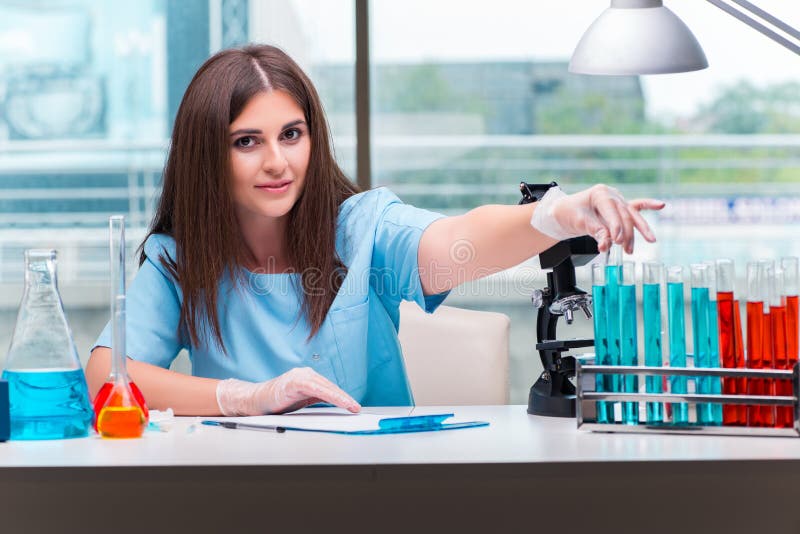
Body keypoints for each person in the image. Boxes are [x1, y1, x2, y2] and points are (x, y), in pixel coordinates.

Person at [85, 44, 664, 416]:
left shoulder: (361, 231)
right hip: (243, 496)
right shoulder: (178, 261)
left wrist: (550, 216)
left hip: (376, 491)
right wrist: (246, 398)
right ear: (206, 155)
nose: (277, 163)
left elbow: (458, 244)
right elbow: (105, 377)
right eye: (246, 142)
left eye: (291, 134)